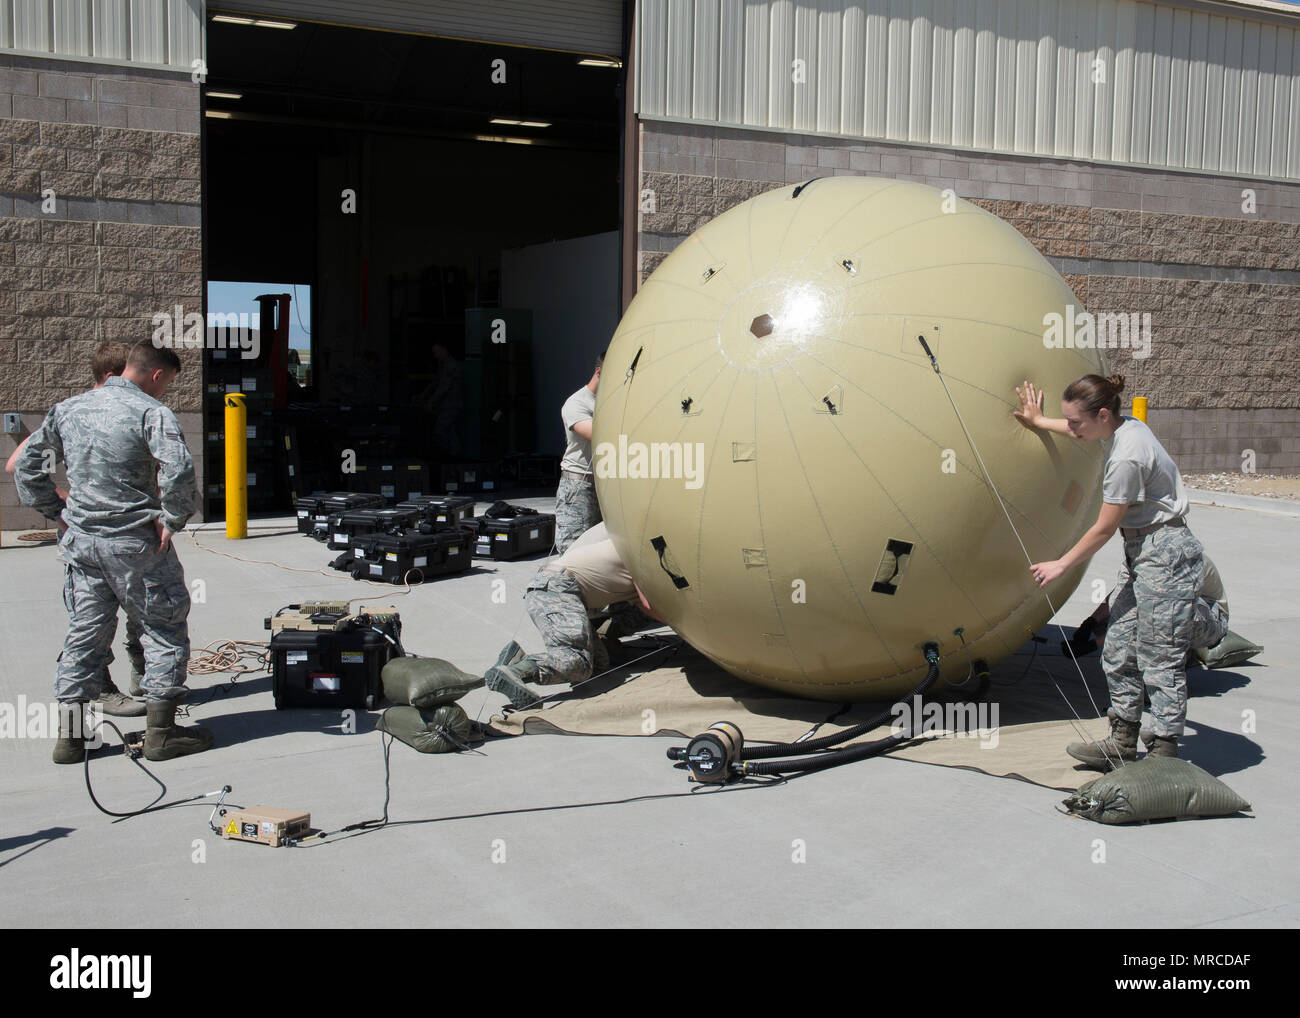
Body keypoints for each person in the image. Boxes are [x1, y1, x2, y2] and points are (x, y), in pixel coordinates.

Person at [14, 341, 212, 763]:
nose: (165, 393)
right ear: (156, 375)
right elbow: (179, 469)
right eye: (168, 384)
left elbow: (27, 466)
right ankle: (161, 734)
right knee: (163, 628)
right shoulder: (151, 412)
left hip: (82, 545)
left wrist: (58, 511)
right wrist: (172, 519)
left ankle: (71, 740)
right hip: (135, 544)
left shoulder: (68, 409)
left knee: (85, 634)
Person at [1015, 374, 1202, 769]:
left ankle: (1166, 754)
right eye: (1068, 420)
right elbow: (1078, 430)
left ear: (1102, 415)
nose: (1071, 428)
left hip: (1165, 553)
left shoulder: (1126, 458)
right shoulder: (1122, 426)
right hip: (1142, 552)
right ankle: (1122, 739)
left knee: (1160, 656)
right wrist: (1038, 422)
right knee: (1116, 648)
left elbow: (1102, 528)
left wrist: (1062, 563)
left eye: (1075, 422)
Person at [5, 341, 145, 718]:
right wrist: (61, 506)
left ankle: (143, 680)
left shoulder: (121, 411)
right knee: (93, 620)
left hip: (130, 538)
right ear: (118, 376)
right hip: (92, 539)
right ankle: (98, 689)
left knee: (140, 613)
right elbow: (19, 464)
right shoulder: (78, 412)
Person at [484, 522, 662, 709]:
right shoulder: (639, 555)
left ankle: (514, 659)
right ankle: (517, 671)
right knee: (578, 663)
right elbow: (649, 607)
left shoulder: (623, 532)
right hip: (557, 589)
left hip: (561, 590)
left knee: (599, 664)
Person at [555, 351, 603, 553]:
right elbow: (598, 433)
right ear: (599, 372)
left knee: (602, 548)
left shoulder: (612, 402)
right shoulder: (577, 403)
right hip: (580, 485)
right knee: (574, 549)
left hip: (604, 485)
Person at [415, 341, 462, 456]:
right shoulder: (444, 365)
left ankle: (448, 456)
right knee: (450, 432)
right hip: (448, 405)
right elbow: (435, 383)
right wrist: (423, 396)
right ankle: (453, 457)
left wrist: (430, 401)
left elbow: (443, 387)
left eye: (436, 352)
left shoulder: (450, 365)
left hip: (450, 405)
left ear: (444, 350)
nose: (435, 355)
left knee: (440, 431)